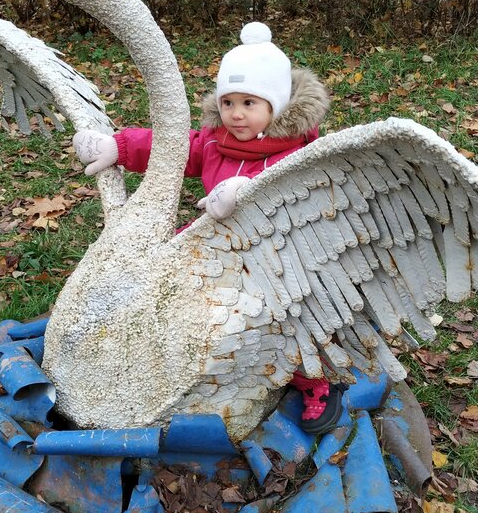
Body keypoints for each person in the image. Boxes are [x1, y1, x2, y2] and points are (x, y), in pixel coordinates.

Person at [73, 22, 344, 432]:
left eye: (250, 102)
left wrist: (248, 192)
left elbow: (315, 199)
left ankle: (314, 378)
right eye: (228, 101)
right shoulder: (216, 141)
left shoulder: (300, 155)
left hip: (277, 257)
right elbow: (174, 148)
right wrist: (120, 146)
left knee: (283, 319)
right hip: (217, 241)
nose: (235, 113)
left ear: (278, 105)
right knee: (164, 277)